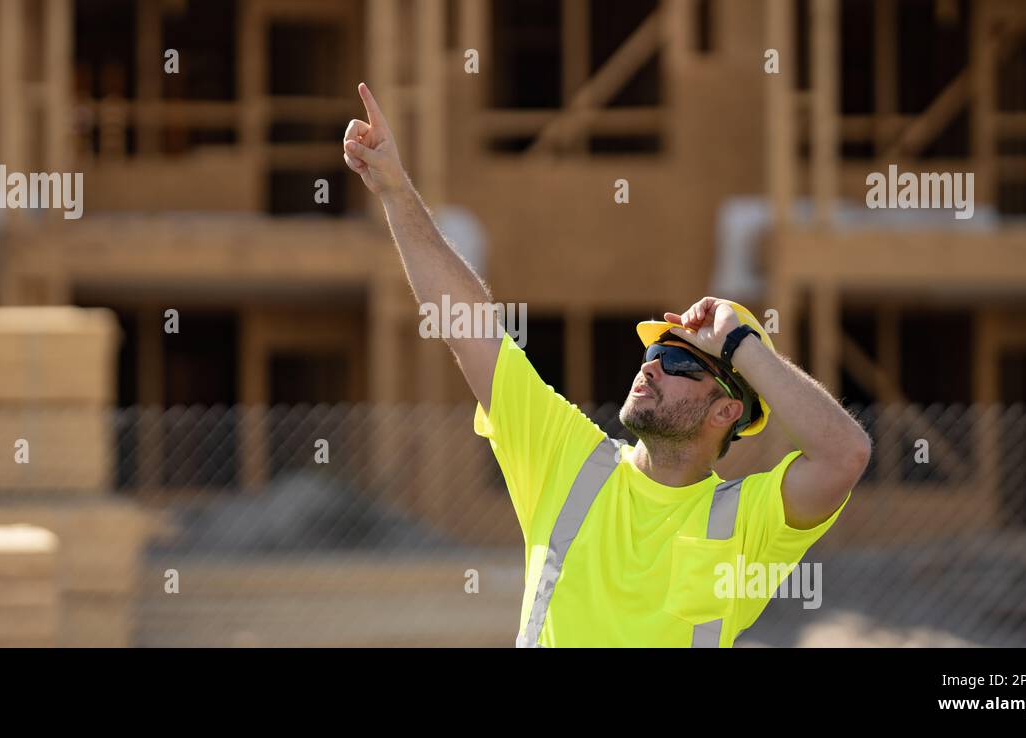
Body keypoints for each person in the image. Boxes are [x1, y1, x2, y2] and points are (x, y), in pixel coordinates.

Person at [343, 82, 872, 647]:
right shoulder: (568, 460)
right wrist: (397, 193)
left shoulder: (747, 522)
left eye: (676, 361)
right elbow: (469, 327)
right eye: (653, 353)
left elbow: (845, 454)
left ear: (726, 409)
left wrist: (742, 346)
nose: (651, 367)